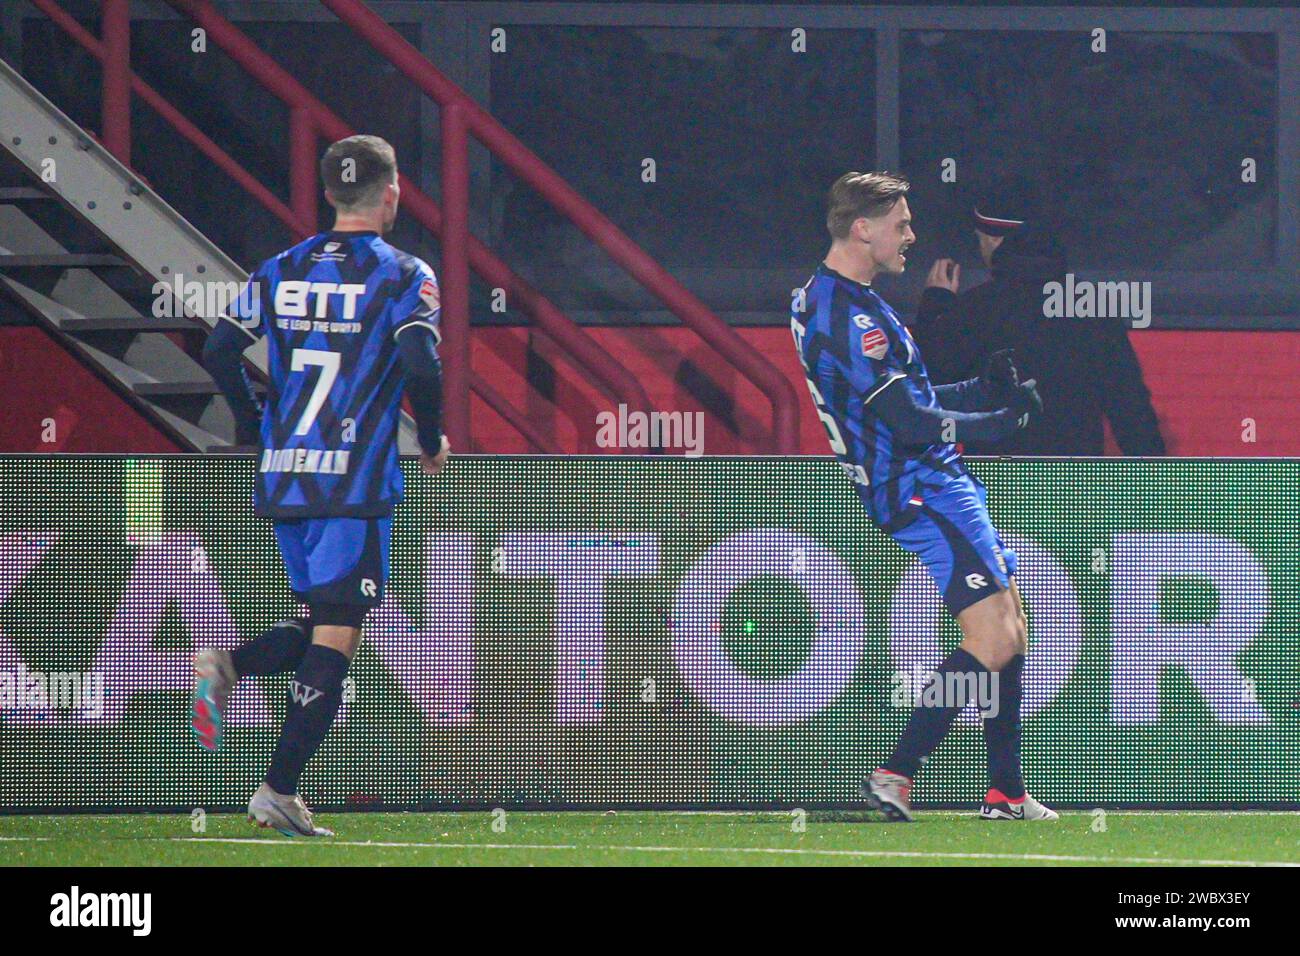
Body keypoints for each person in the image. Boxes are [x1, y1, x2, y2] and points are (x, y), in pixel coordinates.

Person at [192, 135, 450, 837]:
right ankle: (277, 789)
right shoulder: (403, 273)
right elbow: (421, 365)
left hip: (285, 480)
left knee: (319, 623)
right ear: (391, 193)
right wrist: (429, 439)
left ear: (331, 195)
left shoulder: (281, 266)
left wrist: (253, 423)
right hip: (352, 483)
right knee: (338, 638)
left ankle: (230, 665)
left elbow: (218, 347)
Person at [792, 171, 1057, 822]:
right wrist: (998, 424)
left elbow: (915, 401)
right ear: (864, 228)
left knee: (1010, 632)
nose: (911, 236)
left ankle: (1005, 792)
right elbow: (907, 423)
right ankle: (896, 772)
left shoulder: (850, 301)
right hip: (917, 485)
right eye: (901, 224)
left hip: (931, 477)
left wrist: (980, 388)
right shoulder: (846, 314)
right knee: (994, 639)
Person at [913, 193, 1166, 455]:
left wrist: (936, 304)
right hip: (1074, 482)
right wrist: (1157, 485)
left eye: (980, 239)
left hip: (997, 482)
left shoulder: (977, 308)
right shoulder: (1093, 307)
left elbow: (925, 390)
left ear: (995, 239)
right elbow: (1132, 413)